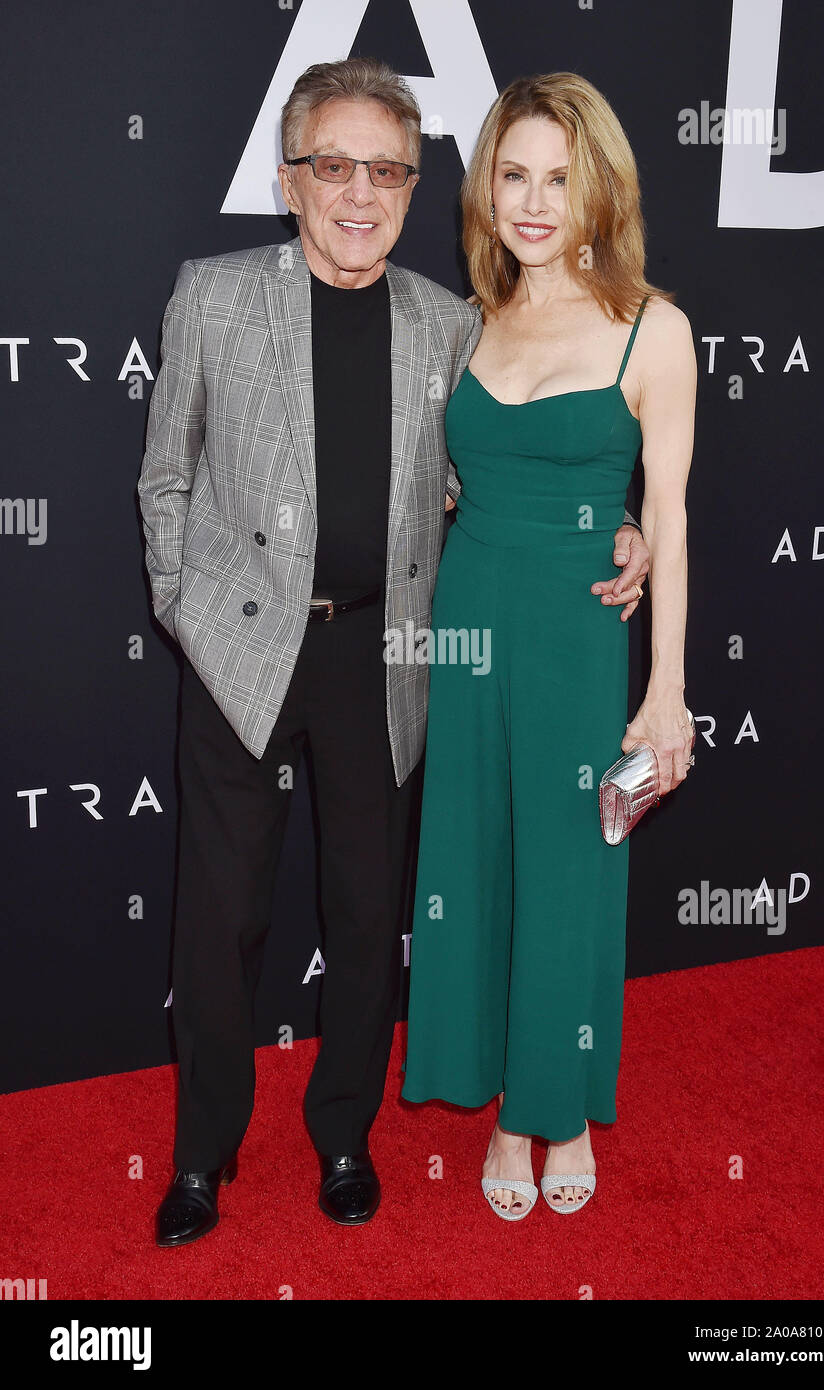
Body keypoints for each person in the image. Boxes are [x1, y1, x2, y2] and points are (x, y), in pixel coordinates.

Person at [137, 58, 650, 1245]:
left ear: (415, 188)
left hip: (392, 658)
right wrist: (186, 604)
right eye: (335, 165)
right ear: (290, 178)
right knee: (220, 924)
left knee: (369, 917)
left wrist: (613, 522)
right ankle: (202, 1158)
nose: (359, 193)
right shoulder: (211, 298)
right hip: (243, 655)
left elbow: (499, 474)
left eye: (387, 170)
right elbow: (164, 476)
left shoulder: (447, 320)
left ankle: (344, 1138)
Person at [401, 72, 696, 1219]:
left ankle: (553, 1108)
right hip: (469, 624)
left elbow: (666, 517)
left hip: (579, 631)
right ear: (486, 190)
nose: (533, 202)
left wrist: (666, 693)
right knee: (472, 863)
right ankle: (494, 1090)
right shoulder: (464, 318)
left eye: (559, 180)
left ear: (599, 190)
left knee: (571, 870)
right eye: (513, 176)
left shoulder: (654, 328)